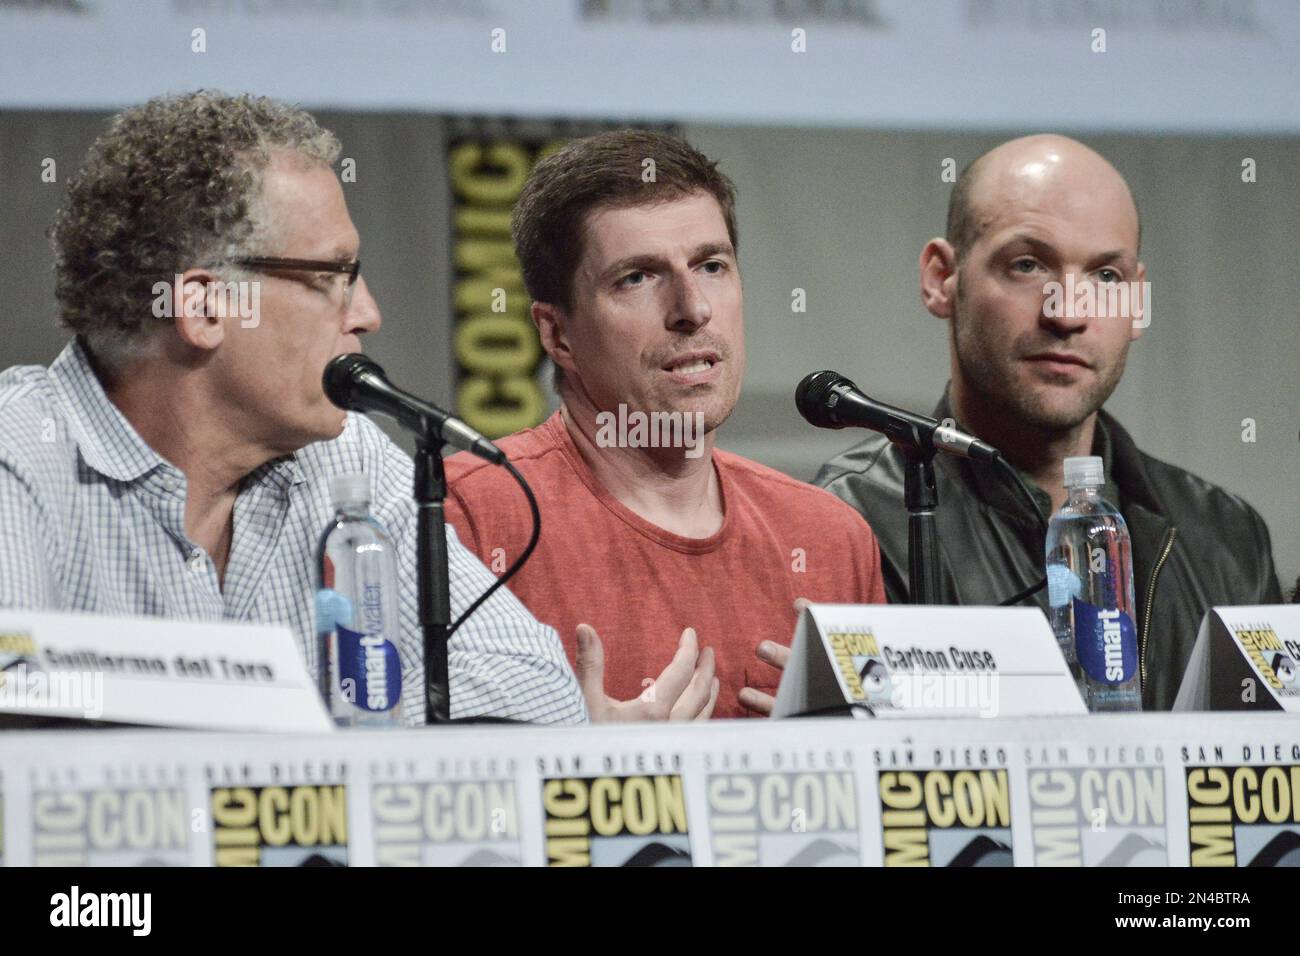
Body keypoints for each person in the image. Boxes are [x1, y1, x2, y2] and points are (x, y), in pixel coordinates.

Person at [0, 91, 585, 725]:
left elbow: (536, 685)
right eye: (335, 274)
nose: (367, 313)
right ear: (204, 307)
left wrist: (304, 735)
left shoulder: (343, 453)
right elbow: (18, 719)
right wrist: (331, 728)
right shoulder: (21, 453)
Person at [814, 134, 1282, 710]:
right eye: (1028, 265)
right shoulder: (845, 525)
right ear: (942, 278)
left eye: (1105, 277)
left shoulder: (1228, 536)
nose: (1068, 312)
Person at [444, 130, 887, 720]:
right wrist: (576, 758)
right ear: (557, 335)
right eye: (637, 278)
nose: (692, 308)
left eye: (710, 265)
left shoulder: (831, 538)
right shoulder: (467, 514)